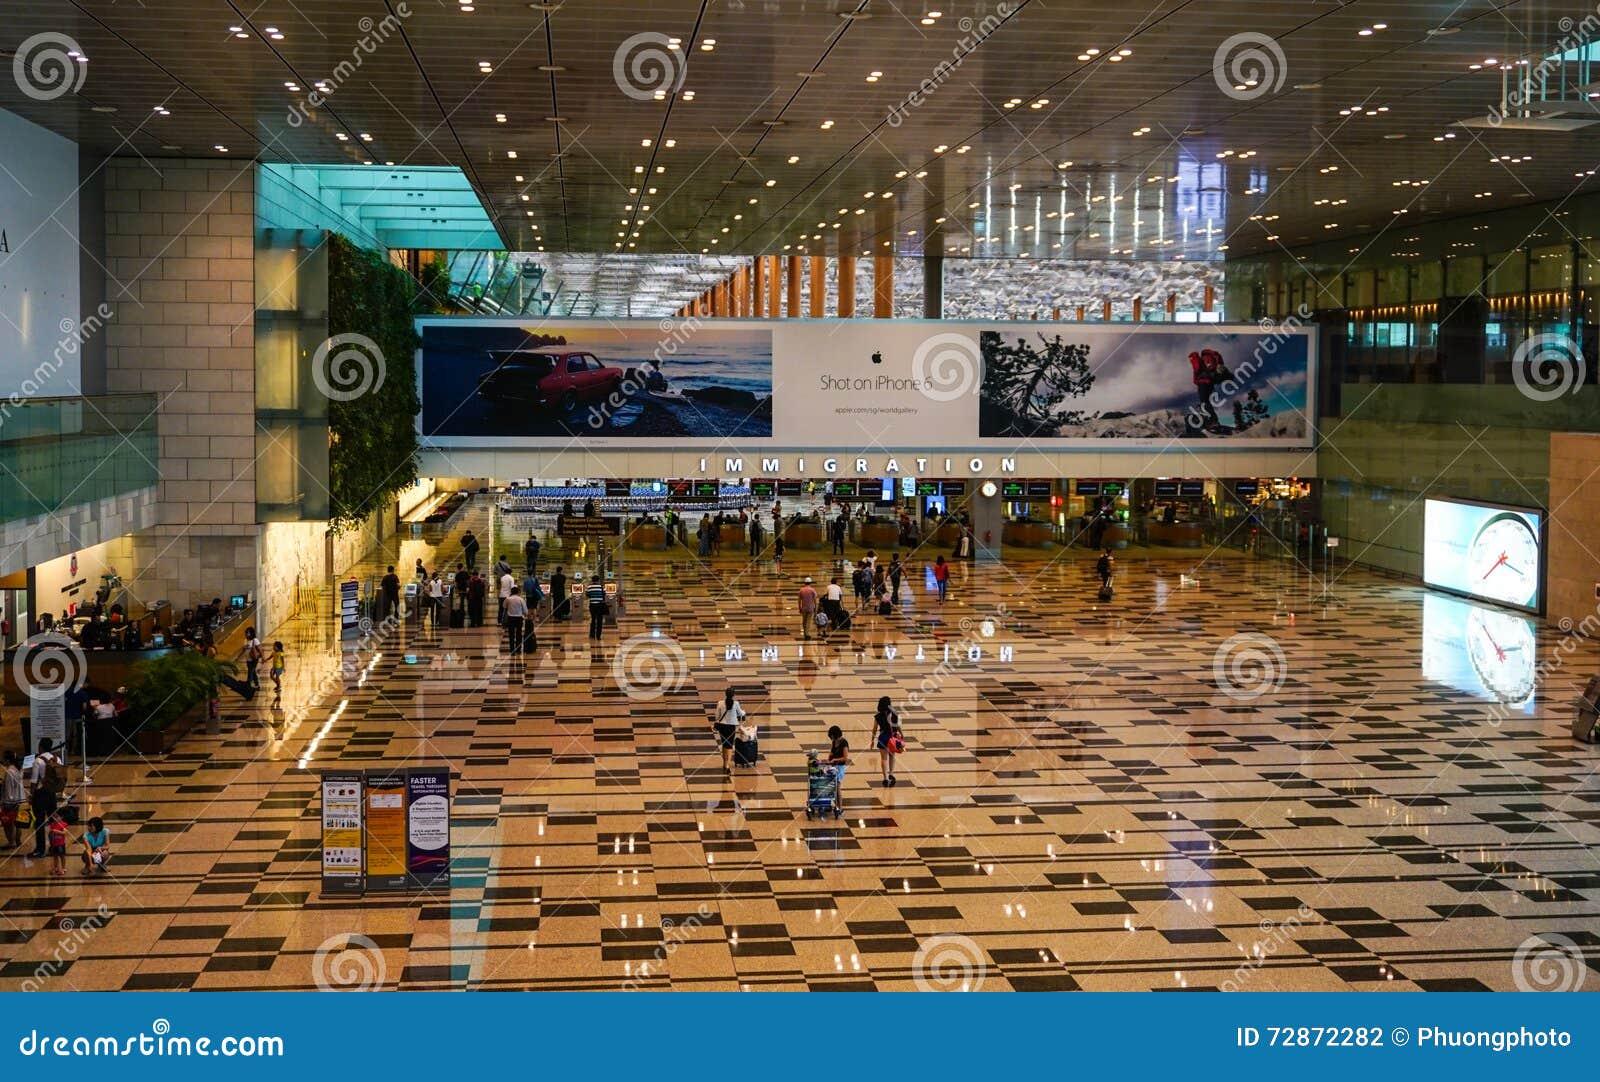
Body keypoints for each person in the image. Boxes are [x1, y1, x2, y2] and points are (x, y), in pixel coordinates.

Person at [28, 738, 63, 858]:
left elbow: (33, 781)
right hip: (52, 793)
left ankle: (40, 849)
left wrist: (31, 796)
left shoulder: (38, 760)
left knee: (39, 822)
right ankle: (55, 847)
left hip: (40, 794)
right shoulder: (57, 759)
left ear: (40, 747)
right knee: (53, 821)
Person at [712, 688, 747, 776]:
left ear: (726, 694)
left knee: (724, 744)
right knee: (730, 746)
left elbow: (716, 716)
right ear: (733, 695)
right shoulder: (736, 703)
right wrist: (744, 712)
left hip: (722, 726)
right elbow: (741, 713)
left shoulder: (720, 703)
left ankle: (724, 763)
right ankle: (727, 765)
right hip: (731, 727)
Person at [871, 696, 902, 787]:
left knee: (884, 758)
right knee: (892, 755)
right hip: (893, 737)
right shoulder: (895, 713)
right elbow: (898, 726)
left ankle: (885, 778)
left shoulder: (878, 716)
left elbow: (874, 729)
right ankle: (891, 774)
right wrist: (901, 734)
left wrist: (872, 740)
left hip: (883, 737)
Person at [1, 751, 24, 848]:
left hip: (10, 801)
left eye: (4, 759)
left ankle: (11, 842)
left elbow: (8, 789)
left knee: (8, 823)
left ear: (8, 760)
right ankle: (18, 840)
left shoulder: (9, 772)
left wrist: (4, 802)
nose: (2, 761)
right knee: (17, 822)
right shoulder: (18, 769)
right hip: (19, 799)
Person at [504, 586, 529, 656]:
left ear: (511, 592)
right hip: (519, 618)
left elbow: (504, 606)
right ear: (518, 592)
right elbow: (525, 611)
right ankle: (518, 649)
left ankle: (512, 649)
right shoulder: (521, 599)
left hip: (510, 618)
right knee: (519, 634)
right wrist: (526, 615)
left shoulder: (508, 599)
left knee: (511, 634)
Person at [46, 810, 68, 876]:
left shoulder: (63, 824)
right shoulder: (52, 824)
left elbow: (65, 833)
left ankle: (63, 868)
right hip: (54, 844)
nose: (55, 818)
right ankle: (56, 867)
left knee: (62, 856)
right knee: (55, 856)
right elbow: (50, 833)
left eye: (57, 817)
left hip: (61, 844)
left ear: (61, 817)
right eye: (54, 817)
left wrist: (57, 831)